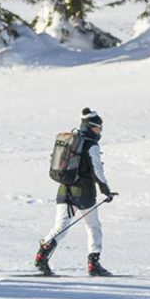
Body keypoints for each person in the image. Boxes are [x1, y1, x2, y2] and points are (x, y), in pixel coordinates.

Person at [35, 108, 117, 276]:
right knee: (93, 227)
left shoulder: (73, 141)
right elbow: (97, 171)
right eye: (98, 128)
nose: (100, 131)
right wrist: (106, 191)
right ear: (92, 127)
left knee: (61, 227)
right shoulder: (91, 145)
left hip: (64, 189)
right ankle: (93, 264)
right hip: (83, 193)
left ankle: (41, 255)